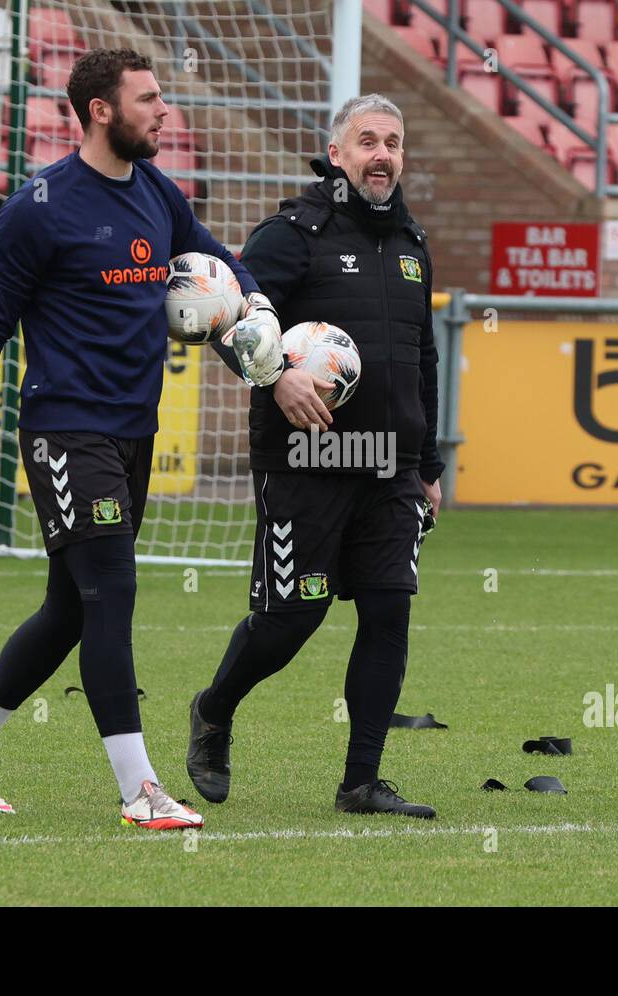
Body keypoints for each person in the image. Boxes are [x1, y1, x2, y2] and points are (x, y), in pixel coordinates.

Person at [0, 48, 283, 831]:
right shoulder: (40, 206)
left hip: (132, 432)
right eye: (148, 99)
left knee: (70, 608)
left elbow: (215, 258)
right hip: (64, 430)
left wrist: (254, 304)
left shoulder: (157, 191)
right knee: (111, 594)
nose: (163, 111)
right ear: (99, 111)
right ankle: (139, 790)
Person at [186, 94, 445, 819]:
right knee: (292, 618)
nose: (382, 154)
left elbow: (420, 356)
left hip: (389, 465)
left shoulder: (413, 244)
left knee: (389, 612)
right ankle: (214, 709)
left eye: (392, 141)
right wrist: (275, 374)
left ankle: (361, 781)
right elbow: (225, 312)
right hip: (303, 461)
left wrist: (426, 466)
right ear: (337, 154)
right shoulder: (293, 233)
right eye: (367, 141)